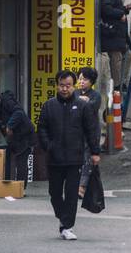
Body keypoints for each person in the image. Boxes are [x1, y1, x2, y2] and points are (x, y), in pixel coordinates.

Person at [36, 70, 101, 240]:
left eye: (68, 86)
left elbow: (91, 130)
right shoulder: (49, 106)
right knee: (55, 193)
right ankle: (63, 217)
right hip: (54, 158)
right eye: (62, 85)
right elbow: (41, 128)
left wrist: (95, 152)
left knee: (72, 194)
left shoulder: (82, 106)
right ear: (57, 85)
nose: (65, 89)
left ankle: (67, 226)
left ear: (74, 86)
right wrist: (48, 145)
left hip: (75, 158)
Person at [0, 89, 35, 184]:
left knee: (21, 160)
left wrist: (9, 126)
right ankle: (7, 183)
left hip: (25, 135)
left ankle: (20, 186)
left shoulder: (7, 101)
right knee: (6, 159)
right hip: (14, 138)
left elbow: (19, 112)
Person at [99, 0, 131, 92]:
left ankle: (121, 81)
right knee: (116, 60)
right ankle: (117, 86)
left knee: (128, 56)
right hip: (112, 34)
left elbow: (114, 8)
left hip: (118, 34)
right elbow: (106, 9)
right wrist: (120, 14)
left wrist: (125, 9)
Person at [76, 67, 102, 200]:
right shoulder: (75, 93)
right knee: (78, 159)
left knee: (88, 159)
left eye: (85, 79)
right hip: (76, 132)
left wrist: (82, 101)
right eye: (80, 79)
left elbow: (91, 108)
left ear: (91, 81)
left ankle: (82, 187)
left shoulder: (96, 95)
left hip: (91, 132)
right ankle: (81, 185)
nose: (81, 82)